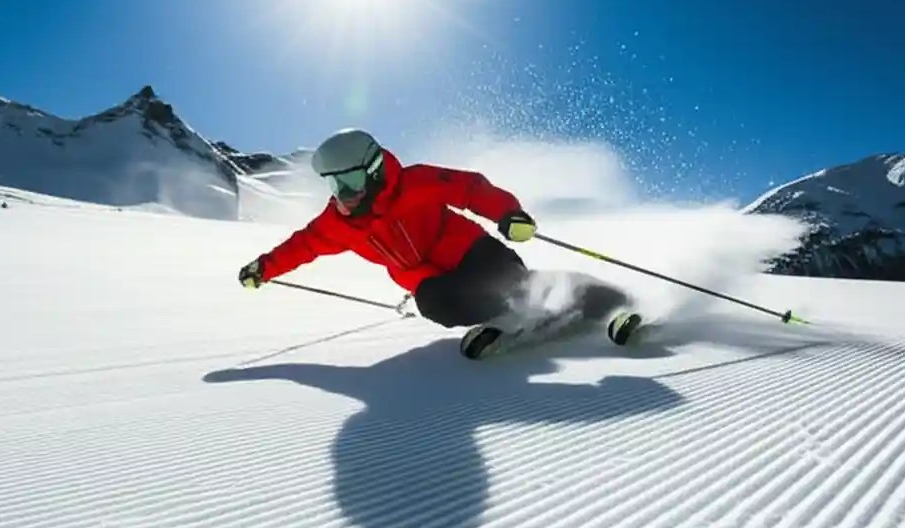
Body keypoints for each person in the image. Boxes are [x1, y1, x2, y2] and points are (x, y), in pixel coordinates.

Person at [237, 128, 640, 358]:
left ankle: (610, 301)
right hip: (432, 280)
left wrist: (507, 213)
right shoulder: (337, 223)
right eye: (334, 183)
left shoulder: (415, 183)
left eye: (351, 181)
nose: (344, 194)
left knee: (516, 283)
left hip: (472, 251)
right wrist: (263, 268)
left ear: (374, 171)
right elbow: (301, 247)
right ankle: (517, 313)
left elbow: (469, 188)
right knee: (435, 303)